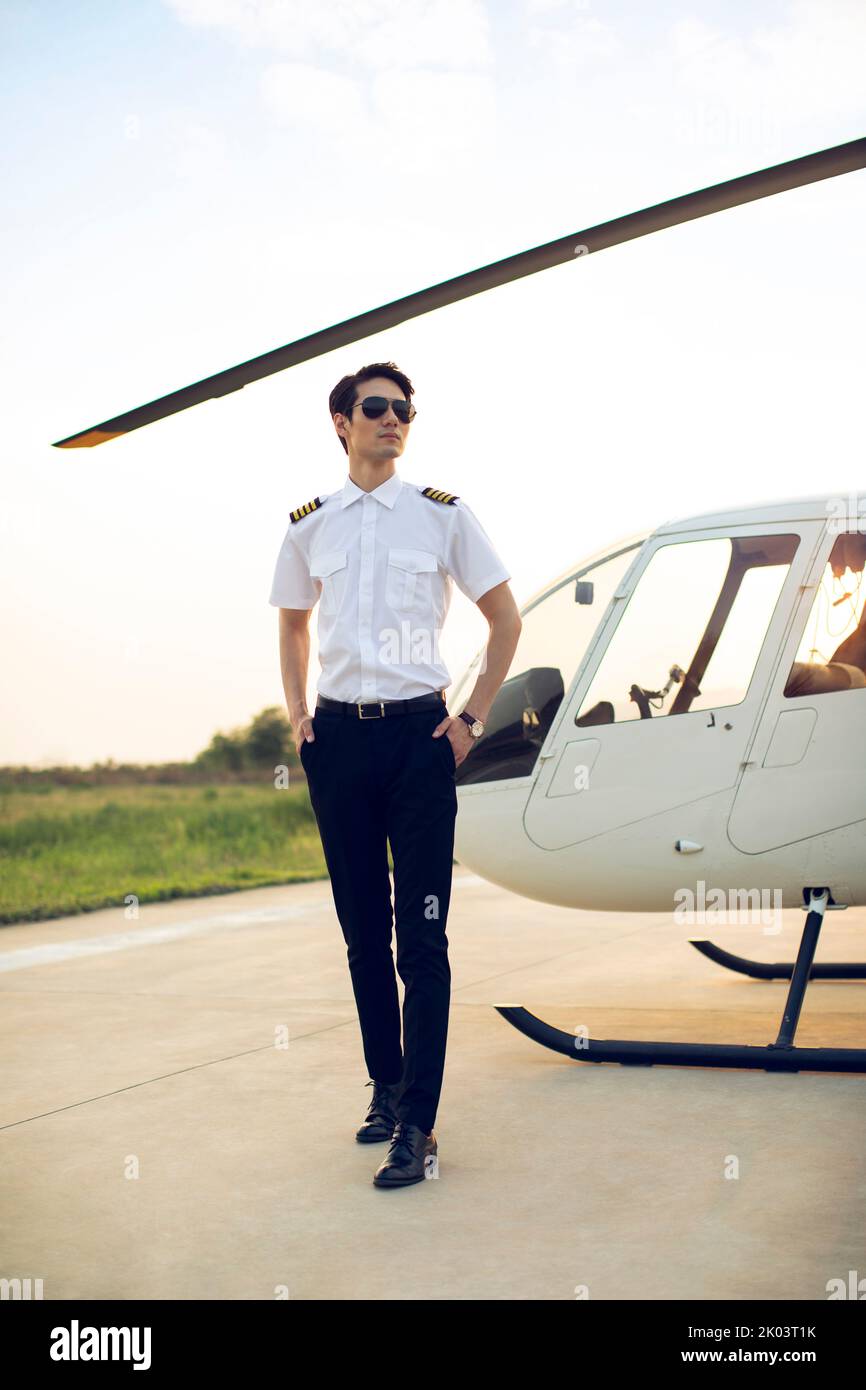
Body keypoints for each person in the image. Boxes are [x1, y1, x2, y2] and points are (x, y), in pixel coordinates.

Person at [268, 360, 522, 1188]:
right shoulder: (312, 525)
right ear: (341, 422)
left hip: (421, 741)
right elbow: (294, 626)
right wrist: (298, 715)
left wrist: (472, 719)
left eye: (404, 411)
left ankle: (418, 1122)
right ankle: (385, 1087)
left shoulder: (442, 516)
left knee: (422, 938)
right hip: (338, 746)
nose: (393, 420)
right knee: (362, 935)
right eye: (377, 408)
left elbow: (504, 620)